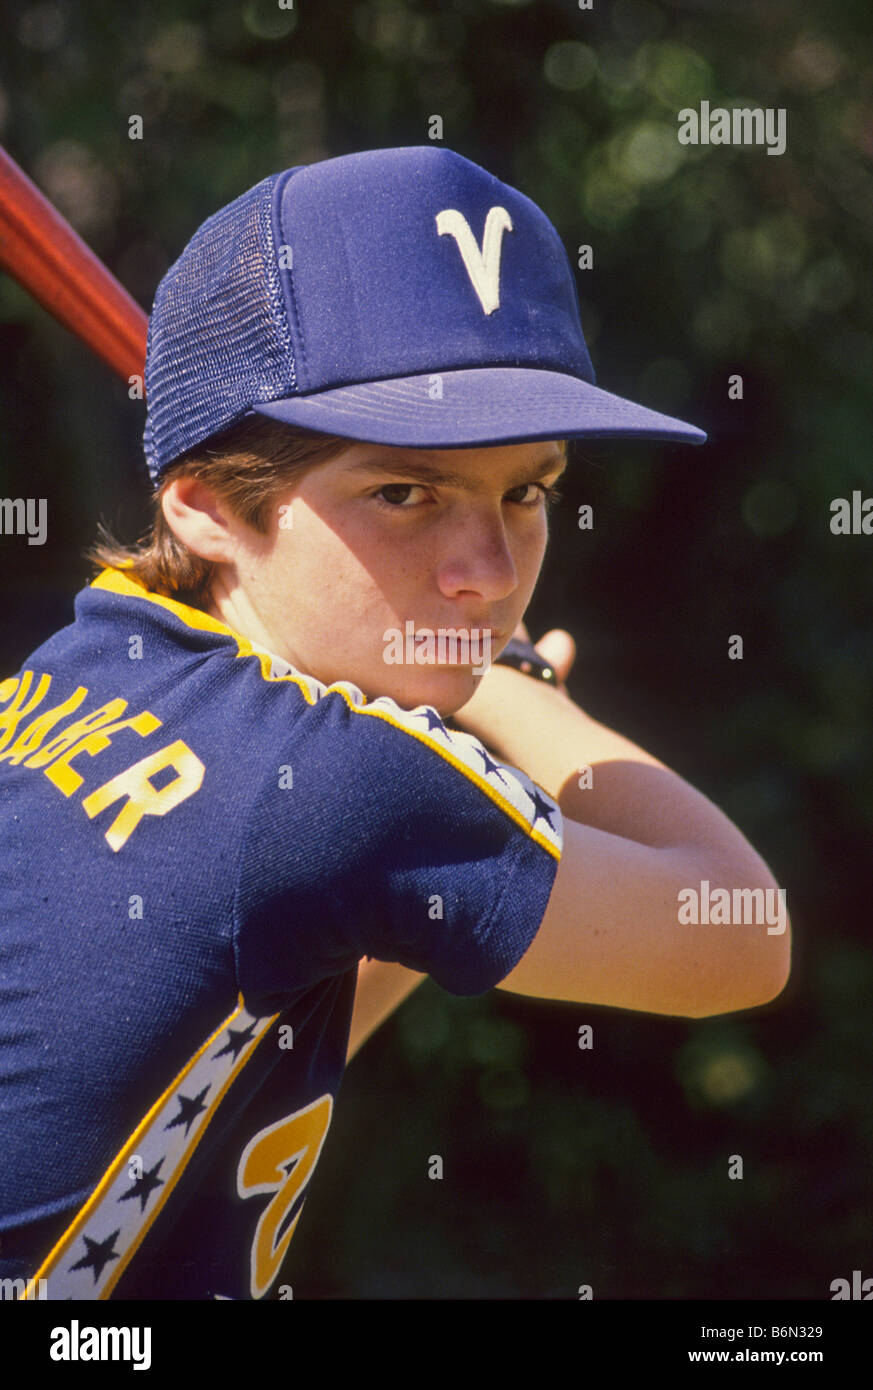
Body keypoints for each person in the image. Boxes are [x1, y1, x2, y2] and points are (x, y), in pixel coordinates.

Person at [0, 146, 790, 1301]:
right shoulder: (339, 785)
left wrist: (459, 736)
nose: (485, 571)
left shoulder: (95, 659)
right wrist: (517, 699)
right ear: (210, 505)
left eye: (526, 490)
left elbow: (242, 1028)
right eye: (406, 493)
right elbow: (742, 932)